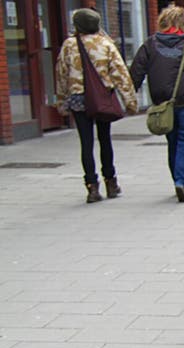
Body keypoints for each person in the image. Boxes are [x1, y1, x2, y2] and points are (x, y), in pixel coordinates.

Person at [55, 8, 138, 203]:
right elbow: (120, 74)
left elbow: (61, 74)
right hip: (102, 98)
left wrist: (61, 101)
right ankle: (111, 181)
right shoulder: (105, 44)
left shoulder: (69, 45)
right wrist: (130, 101)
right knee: (105, 139)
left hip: (78, 98)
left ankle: (92, 186)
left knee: (86, 143)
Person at [129, 4, 184, 203]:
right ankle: (182, 181)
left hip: (162, 105)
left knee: (172, 142)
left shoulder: (150, 44)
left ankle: (177, 178)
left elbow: (136, 71)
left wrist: (130, 95)